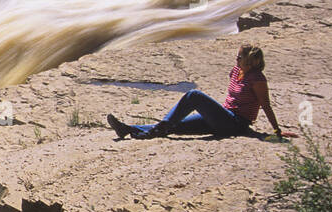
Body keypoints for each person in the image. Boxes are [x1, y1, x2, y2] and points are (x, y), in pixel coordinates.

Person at [107, 43, 283, 140]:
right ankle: (128, 129)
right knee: (177, 126)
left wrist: (277, 131)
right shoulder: (236, 71)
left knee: (194, 95)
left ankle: (154, 130)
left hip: (236, 123)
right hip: (223, 116)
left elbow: (265, 105)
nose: (235, 58)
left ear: (250, 61)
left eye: (239, 57)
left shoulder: (257, 79)